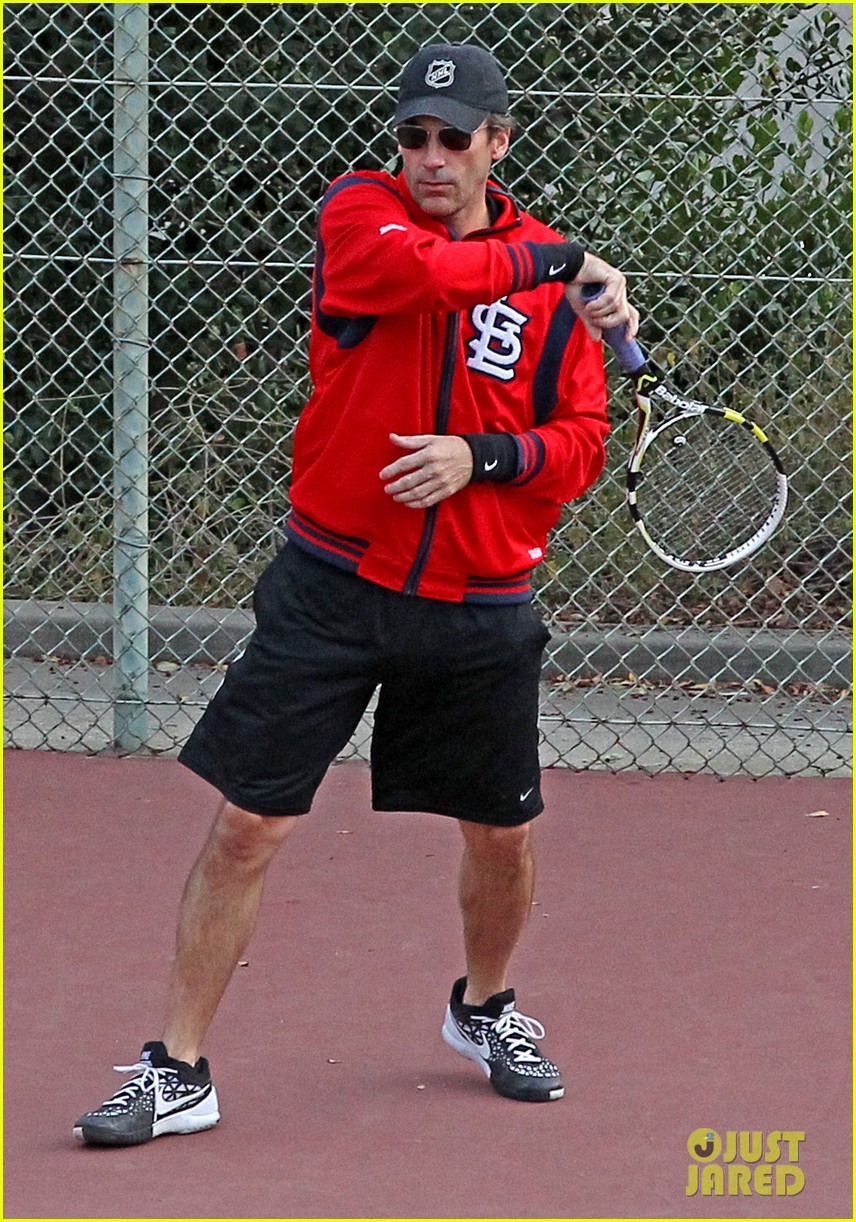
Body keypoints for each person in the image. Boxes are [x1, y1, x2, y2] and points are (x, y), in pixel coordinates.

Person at [74, 41, 638, 1147]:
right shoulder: (360, 218)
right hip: (331, 583)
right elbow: (425, 278)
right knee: (246, 825)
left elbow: (579, 444)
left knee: (500, 837)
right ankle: (177, 1067)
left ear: (496, 144)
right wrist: (567, 262)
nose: (429, 157)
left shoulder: (551, 289)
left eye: (453, 137)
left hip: (477, 603)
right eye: (414, 136)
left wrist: (480, 459)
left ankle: (484, 1009)